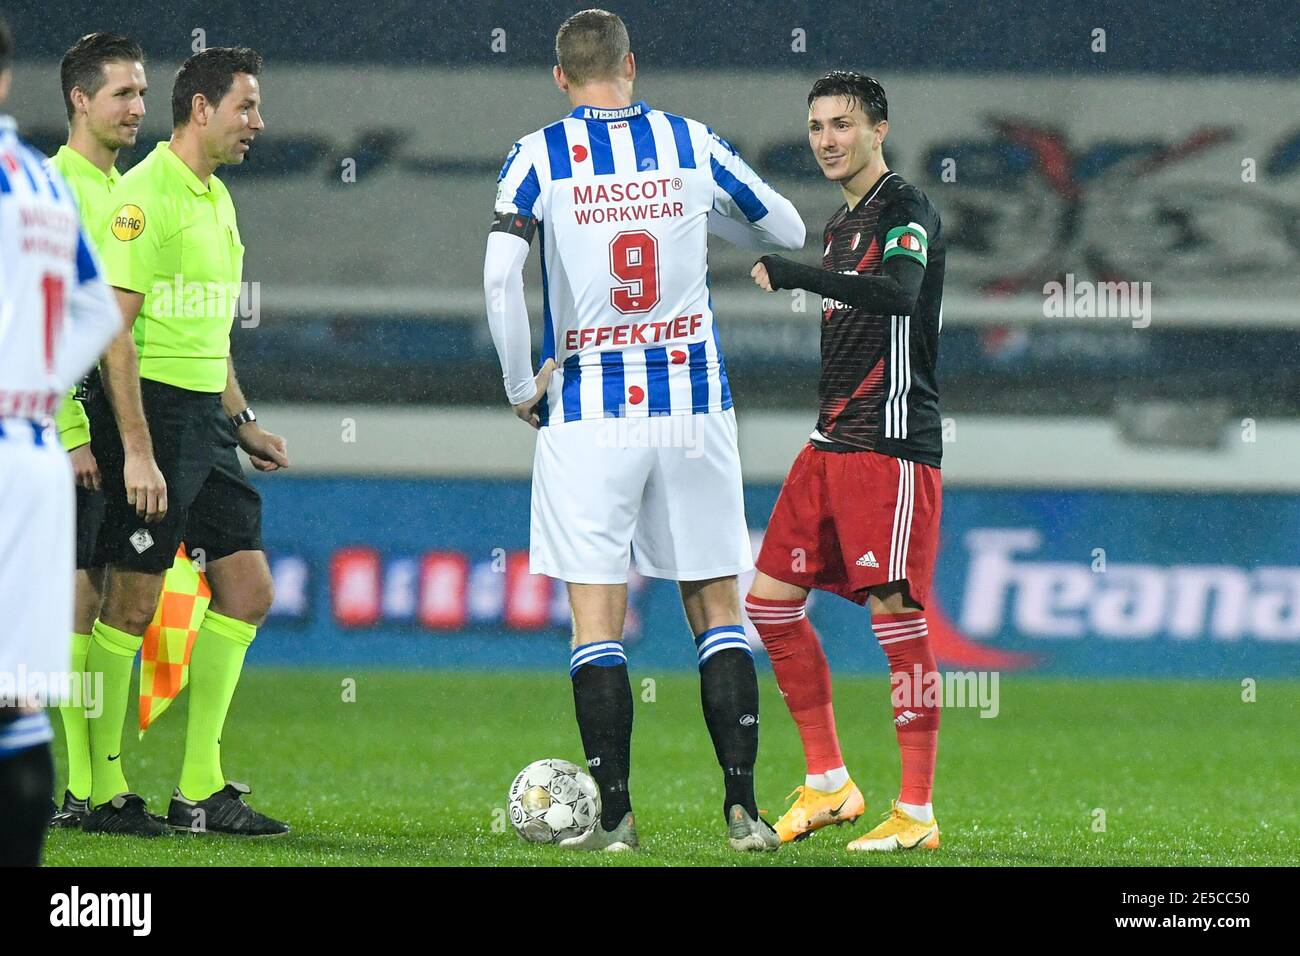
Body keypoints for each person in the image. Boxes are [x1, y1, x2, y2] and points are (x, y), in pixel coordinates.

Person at [484, 8, 805, 851]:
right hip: (693, 406)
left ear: (561, 78)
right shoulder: (688, 141)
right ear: (634, 65)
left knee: (598, 621)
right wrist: (698, 217)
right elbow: (790, 229)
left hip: (589, 410)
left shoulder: (537, 155)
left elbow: (497, 278)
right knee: (717, 609)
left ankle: (616, 817)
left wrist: (523, 386)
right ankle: (743, 807)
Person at [87, 46, 290, 836]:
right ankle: (103, 792)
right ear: (200, 109)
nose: (258, 123)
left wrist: (241, 422)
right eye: (246, 107)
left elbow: (211, 331)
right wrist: (136, 450)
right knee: (132, 603)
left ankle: (199, 789)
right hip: (154, 417)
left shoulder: (218, 199)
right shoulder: (144, 199)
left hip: (205, 418)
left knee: (248, 590)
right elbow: (116, 335)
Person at [747, 71, 947, 851]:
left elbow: (900, 295)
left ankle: (917, 812)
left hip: (887, 446)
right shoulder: (840, 223)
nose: (828, 140)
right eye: (817, 128)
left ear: (879, 129)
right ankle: (830, 784)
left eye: (842, 125)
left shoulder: (906, 208)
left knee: (897, 615)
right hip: (830, 443)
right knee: (768, 605)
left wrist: (795, 274)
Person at [0, 14, 124, 865]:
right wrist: (36, 387)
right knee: (16, 704)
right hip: (30, 447)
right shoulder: (39, 182)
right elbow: (94, 308)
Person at [45, 30, 167, 831]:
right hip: (68, 423)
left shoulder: (123, 192)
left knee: (101, 600)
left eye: (143, 94)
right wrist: (70, 433)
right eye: (122, 93)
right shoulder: (51, 192)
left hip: (116, 415)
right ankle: (87, 789)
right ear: (79, 100)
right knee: (75, 602)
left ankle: (90, 790)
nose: (137, 108)